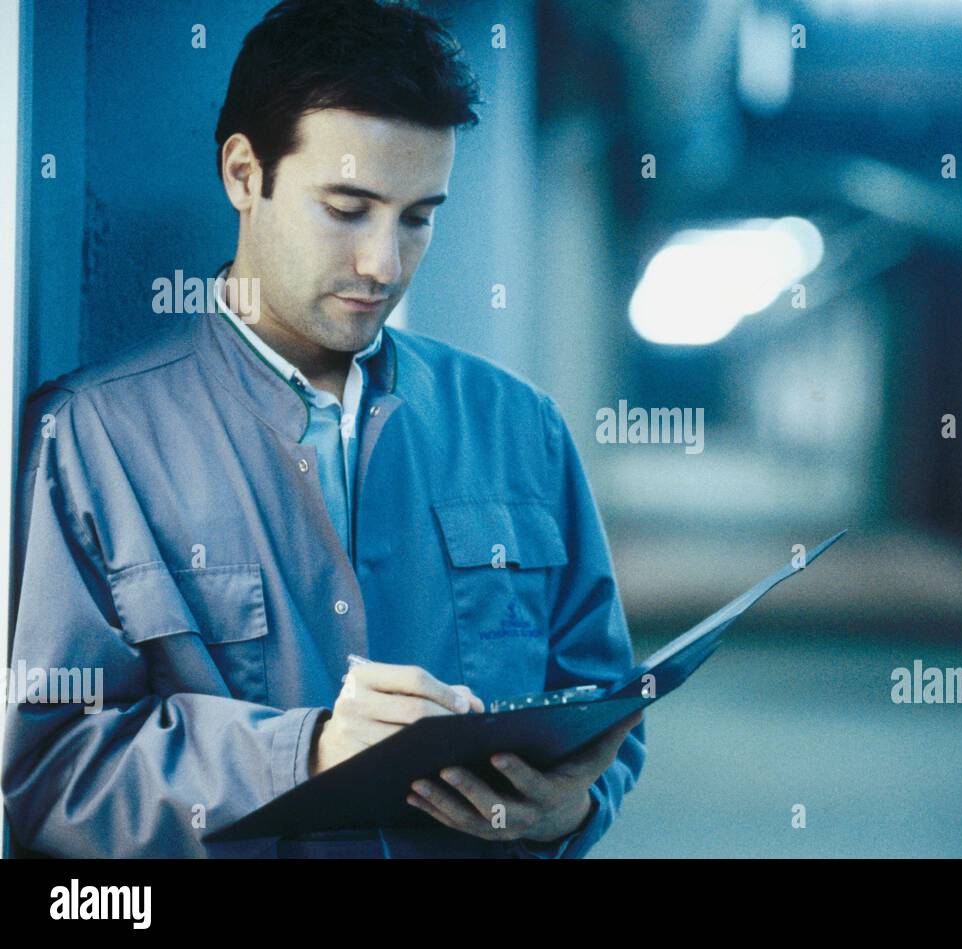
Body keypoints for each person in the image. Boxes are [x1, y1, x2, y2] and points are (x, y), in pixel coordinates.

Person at [2, 0, 645, 859]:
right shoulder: (90, 442)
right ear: (243, 174)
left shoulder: (520, 427)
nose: (385, 264)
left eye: (418, 216)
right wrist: (307, 754)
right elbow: (53, 770)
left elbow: (602, 707)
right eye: (347, 208)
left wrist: (570, 808)